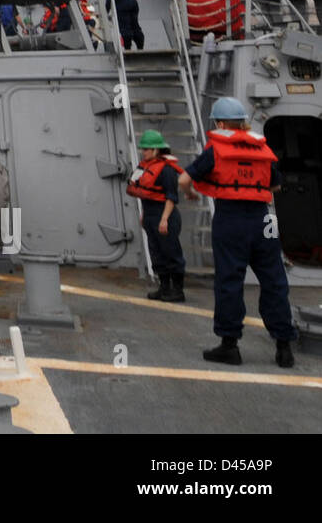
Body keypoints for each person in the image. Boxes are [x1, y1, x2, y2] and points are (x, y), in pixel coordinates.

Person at [177, 97, 297, 367]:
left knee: (230, 281)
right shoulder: (261, 148)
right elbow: (275, 186)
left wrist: (191, 194)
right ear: (243, 122)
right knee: (275, 281)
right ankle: (284, 346)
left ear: (220, 123)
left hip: (231, 220)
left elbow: (184, 179)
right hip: (264, 221)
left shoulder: (217, 149)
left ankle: (229, 346)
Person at [127, 130, 185, 301]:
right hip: (151, 215)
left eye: (146, 149)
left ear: (156, 150)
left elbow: (171, 197)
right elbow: (146, 196)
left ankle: (177, 290)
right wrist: (145, 215)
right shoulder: (146, 168)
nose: (143, 152)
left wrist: (164, 219)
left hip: (165, 215)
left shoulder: (166, 170)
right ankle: (164, 287)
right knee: (157, 253)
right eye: (143, 149)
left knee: (171, 252)